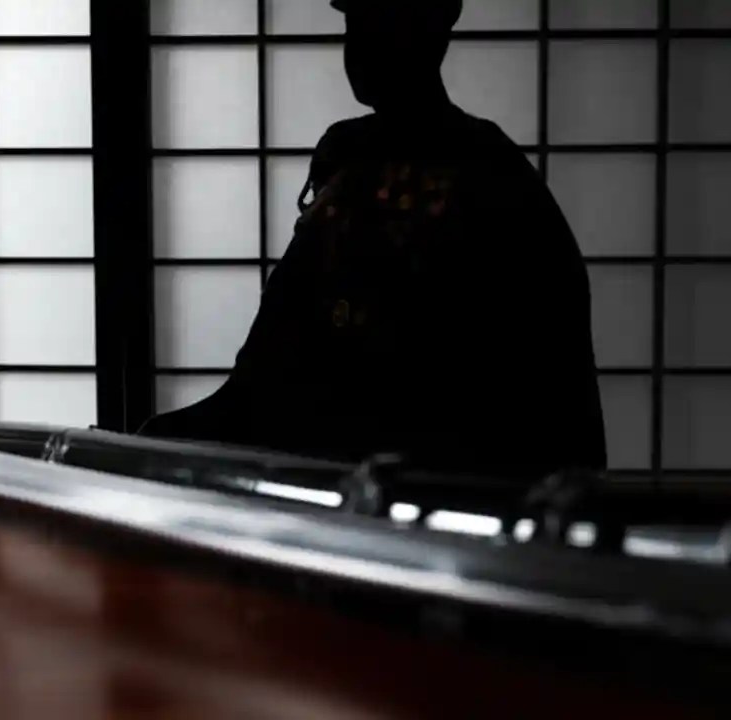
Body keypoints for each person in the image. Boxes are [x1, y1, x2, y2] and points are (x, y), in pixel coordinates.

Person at [139, 0, 606, 482]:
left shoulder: (466, 179)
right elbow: (276, 360)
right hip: (417, 477)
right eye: (354, 23)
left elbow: (286, 372)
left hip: (424, 482)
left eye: (375, 22)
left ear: (428, 32)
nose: (358, 45)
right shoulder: (471, 166)